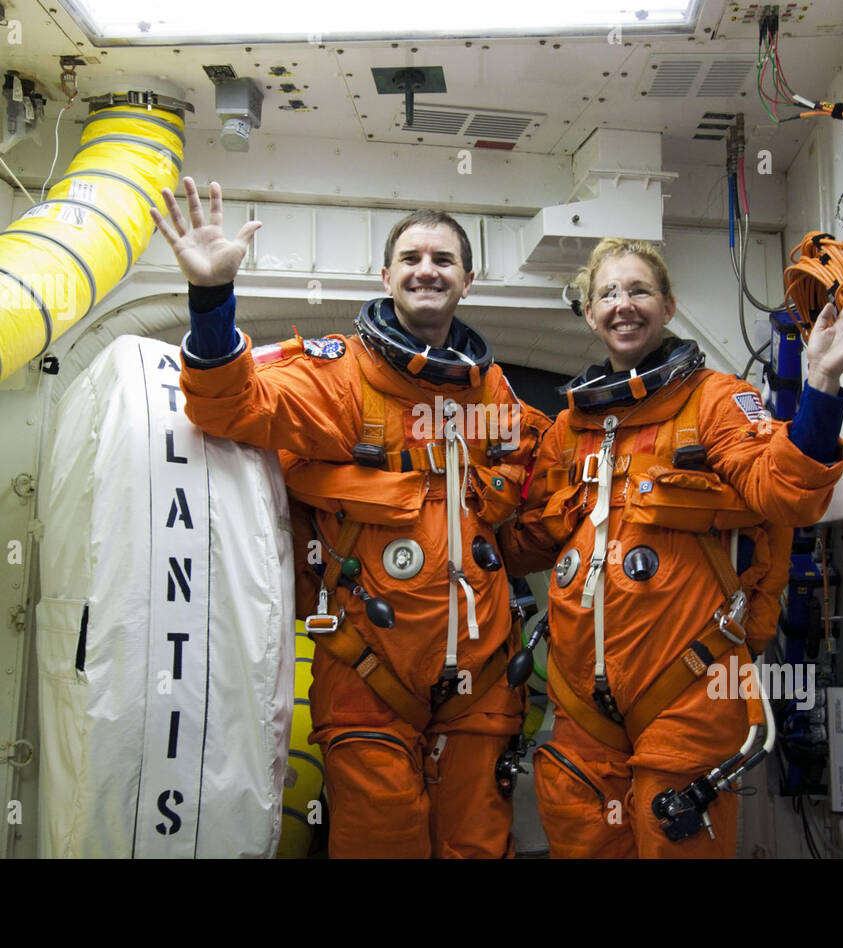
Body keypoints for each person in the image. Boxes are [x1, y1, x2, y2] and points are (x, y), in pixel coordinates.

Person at [151, 177, 550, 858]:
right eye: (414, 258)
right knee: (378, 843)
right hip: (369, 671)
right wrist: (212, 298)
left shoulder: (497, 396)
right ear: (386, 274)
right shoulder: (338, 377)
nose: (428, 269)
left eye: (444, 260)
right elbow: (227, 405)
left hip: (481, 677)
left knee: (477, 846)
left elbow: (534, 520)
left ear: (468, 281)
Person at [500, 237, 843, 858]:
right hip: (580, 703)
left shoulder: (712, 401)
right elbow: (530, 542)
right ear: (590, 310)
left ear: (669, 304)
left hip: (683, 685)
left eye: (638, 291)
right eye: (608, 293)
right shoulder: (570, 430)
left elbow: (784, 491)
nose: (622, 305)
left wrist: (821, 380)